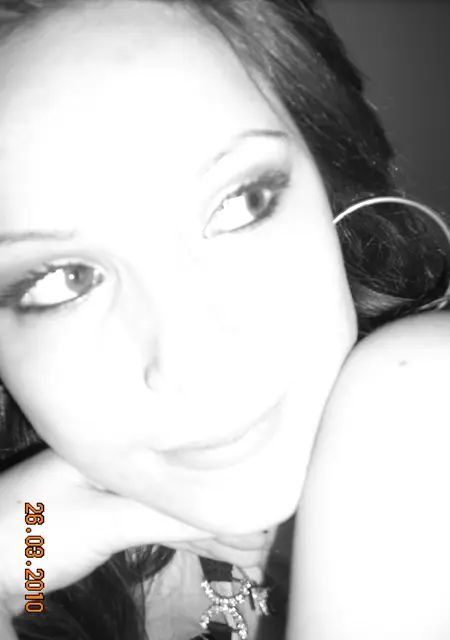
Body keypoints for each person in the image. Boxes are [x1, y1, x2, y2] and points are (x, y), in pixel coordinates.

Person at [0, 1, 449, 639]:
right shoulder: (42, 551)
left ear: (328, 180)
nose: (195, 364)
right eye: (64, 280)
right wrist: (13, 568)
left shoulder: (426, 403)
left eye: (242, 201)